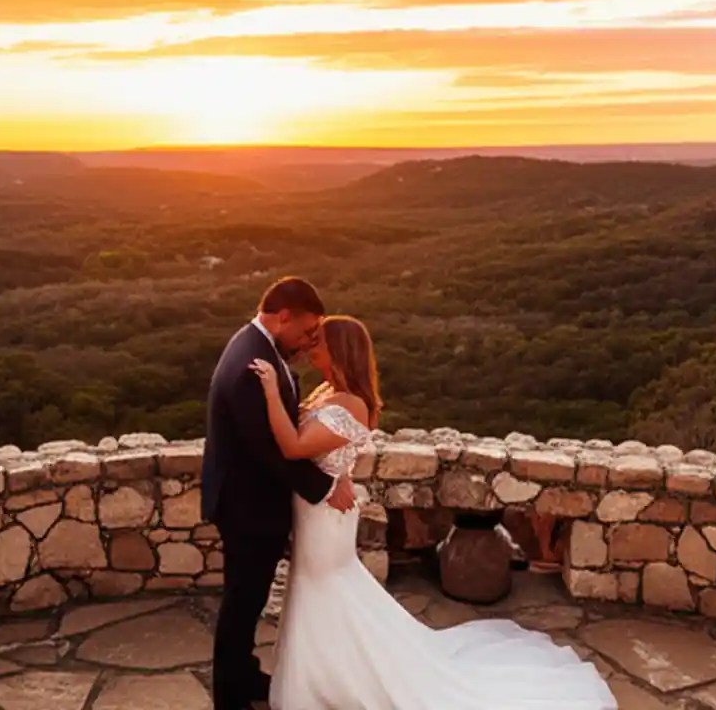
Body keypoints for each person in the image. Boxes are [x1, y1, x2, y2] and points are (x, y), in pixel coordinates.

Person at [249, 315, 619, 710]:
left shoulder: (353, 404)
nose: (310, 346)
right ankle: (323, 675)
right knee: (315, 588)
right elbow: (332, 452)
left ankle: (337, 680)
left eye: (318, 341)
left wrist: (270, 391)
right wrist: (339, 474)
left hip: (326, 517)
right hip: (317, 505)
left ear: (340, 350)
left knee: (324, 586)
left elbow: (292, 446)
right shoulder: (328, 390)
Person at [202, 277, 357, 710]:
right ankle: (230, 699)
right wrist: (327, 486)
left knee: (247, 601)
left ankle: (245, 676)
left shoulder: (259, 345)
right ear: (283, 316)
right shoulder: (252, 362)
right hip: (247, 507)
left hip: (249, 501)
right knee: (241, 604)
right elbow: (272, 452)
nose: (310, 340)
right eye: (307, 330)